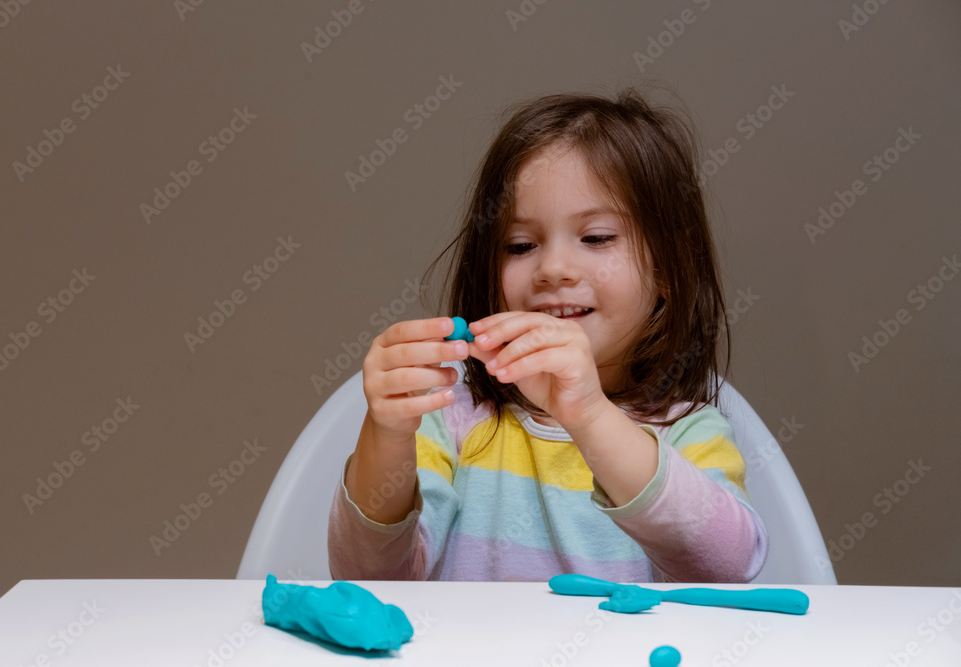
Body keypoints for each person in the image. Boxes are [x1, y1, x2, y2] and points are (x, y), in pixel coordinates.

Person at [328, 86, 768, 583]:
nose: (552, 268)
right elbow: (372, 579)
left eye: (596, 237)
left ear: (668, 267)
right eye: (520, 245)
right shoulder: (450, 417)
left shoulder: (688, 433)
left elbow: (730, 566)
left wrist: (589, 415)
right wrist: (385, 433)